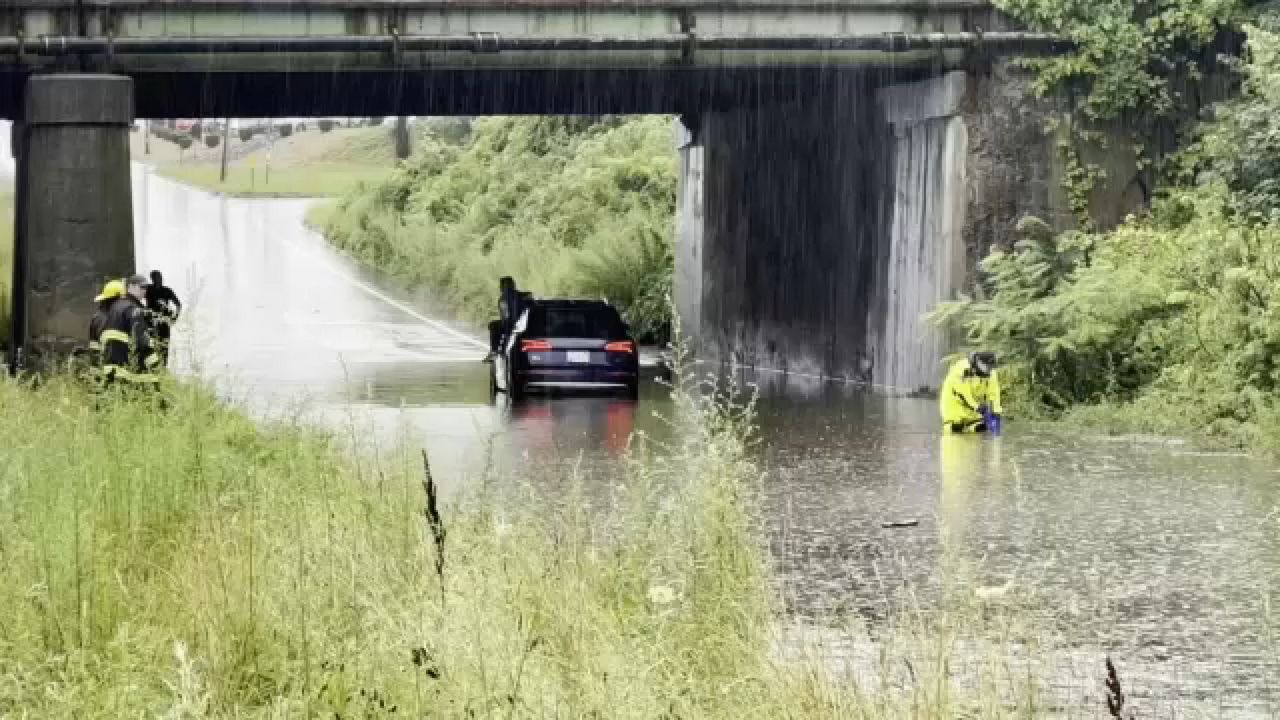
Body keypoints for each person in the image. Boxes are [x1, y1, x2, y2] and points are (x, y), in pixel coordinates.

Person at [99, 274, 161, 388]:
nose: (145, 291)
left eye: (146, 288)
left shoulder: (115, 306)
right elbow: (141, 339)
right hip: (129, 369)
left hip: (112, 367)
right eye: (141, 287)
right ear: (130, 286)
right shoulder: (133, 309)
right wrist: (156, 363)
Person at [939, 351, 1003, 434]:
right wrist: (977, 407)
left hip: (975, 405)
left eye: (991, 368)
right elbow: (963, 394)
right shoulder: (961, 370)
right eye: (987, 367)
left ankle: (973, 429)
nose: (989, 370)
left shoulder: (991, 373)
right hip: (954, 402)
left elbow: (994, 393)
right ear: (979, 363)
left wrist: (996, 412)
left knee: (980, 428)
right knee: (956, 427)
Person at [144, 270, 182, 367]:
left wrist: (174, 317)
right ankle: (154, 367)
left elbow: (178, 304)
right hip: (151, 323)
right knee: (152, 346)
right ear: (152, 279)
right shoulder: (148, 289)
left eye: (160, 277)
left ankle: (163, 367)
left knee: (164, 347)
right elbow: (139, 296)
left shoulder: (166, 290)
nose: (159, 279)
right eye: (156, 277)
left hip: (164, 323)